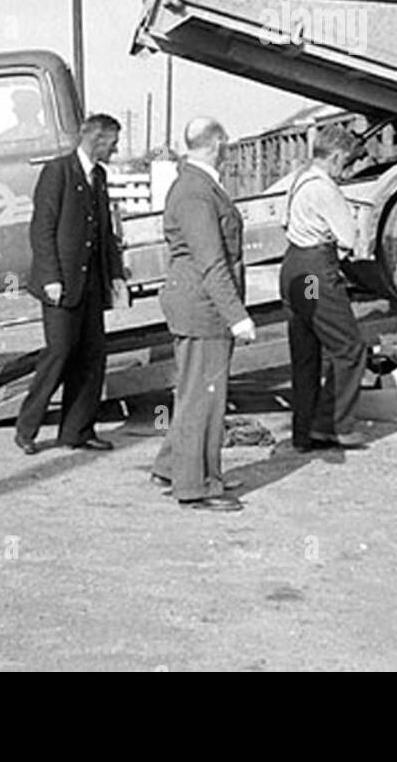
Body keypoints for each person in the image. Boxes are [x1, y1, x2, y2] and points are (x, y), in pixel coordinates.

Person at [151, 118, 256, 512]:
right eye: (225, 143)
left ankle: (170, 467)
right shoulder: (197, 191)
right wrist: (237, 316)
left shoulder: (194, 184)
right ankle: (197, 486)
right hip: (203, 307)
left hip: (196, 302)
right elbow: (212, 262)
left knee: (194, 392)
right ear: (217, 144)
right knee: (205, 399)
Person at [14, 114, 125, 454]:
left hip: (91, 283)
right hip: (60, 283)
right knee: (60, 352)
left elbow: (105, 232)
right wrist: (50, 278)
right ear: (98, 140)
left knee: (92, 356)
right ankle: (26, 428)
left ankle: (77, 431)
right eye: (114, 142)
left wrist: (116, 274)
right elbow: (42, 229)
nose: (117, 149)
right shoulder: (58, 172)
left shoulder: (100, 177)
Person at [280, 124, 369, 452]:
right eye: (345, 163)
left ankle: (303, 432)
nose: (345, 170)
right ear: (335, 157)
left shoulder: (299, 180)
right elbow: (347, 239)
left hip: (294, 269)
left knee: (306, 353)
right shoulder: (327, 188)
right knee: (349, 348)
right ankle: (334, 425)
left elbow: (286, 224)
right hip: (316, 275)